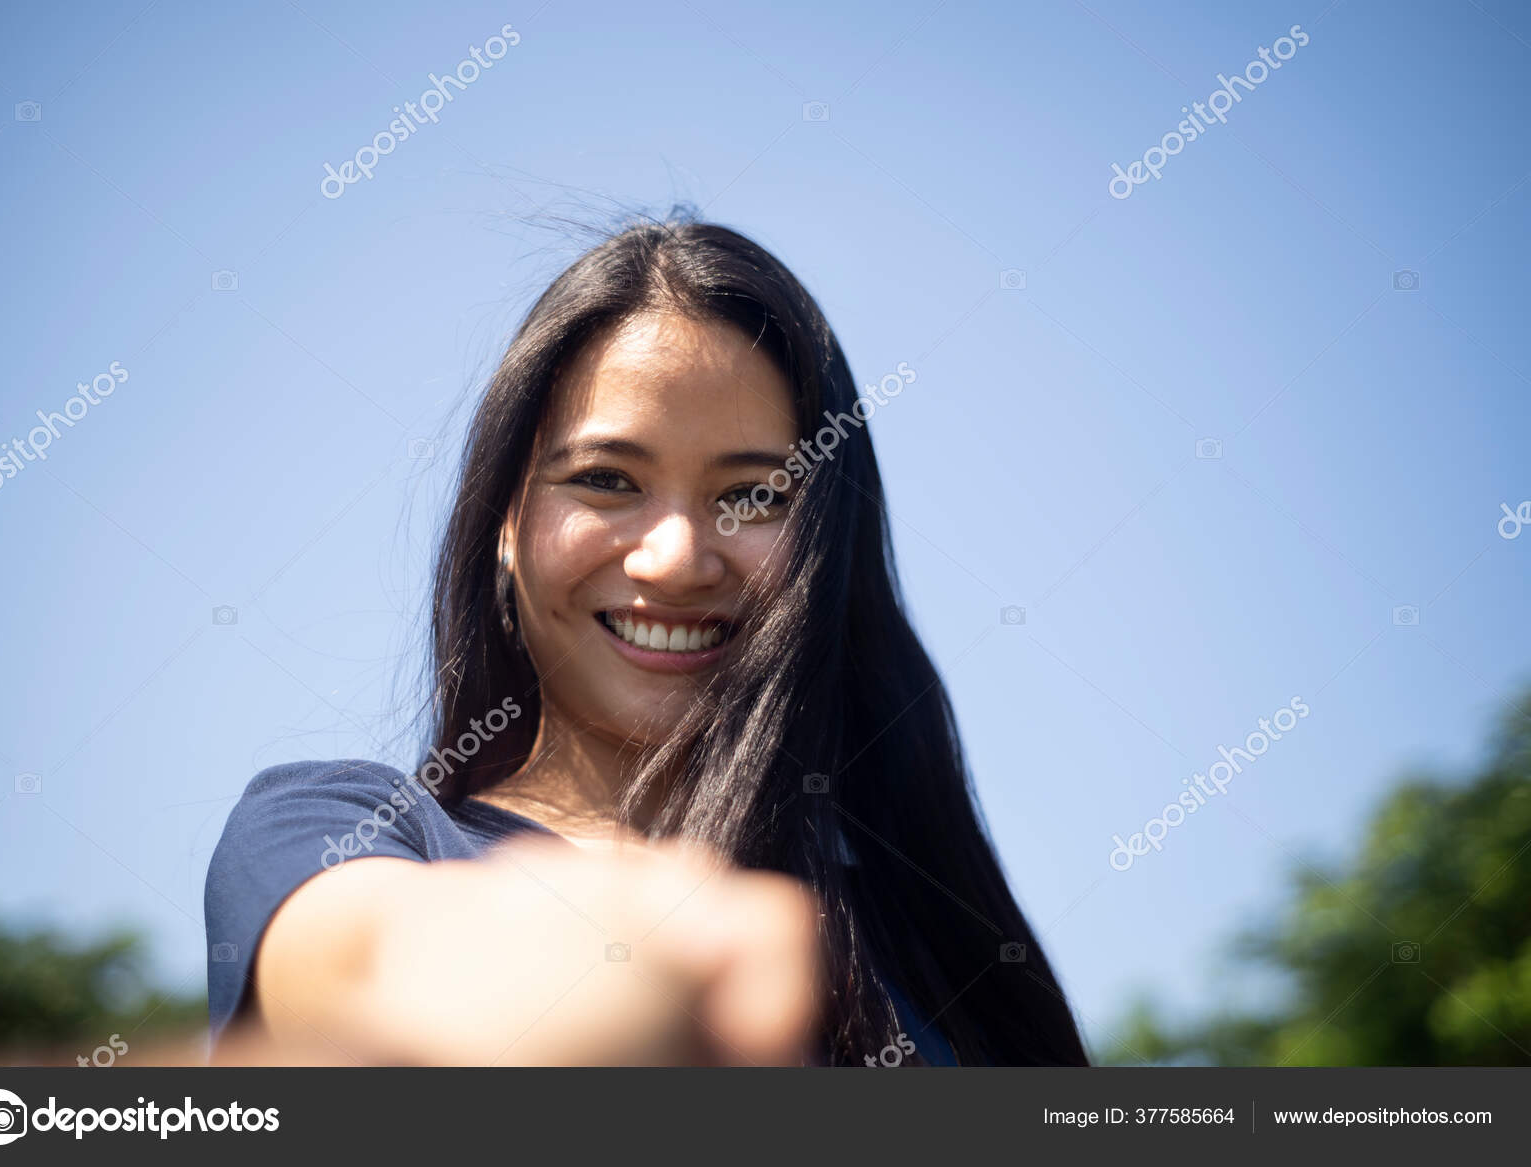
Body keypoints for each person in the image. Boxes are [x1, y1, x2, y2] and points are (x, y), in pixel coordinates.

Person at [204, 216, 1089, 1066]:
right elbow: (360, 961)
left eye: (757, 495)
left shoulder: (927, 931)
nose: (675, 560)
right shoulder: (334, 832)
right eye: (606, 480)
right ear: (506, 520)